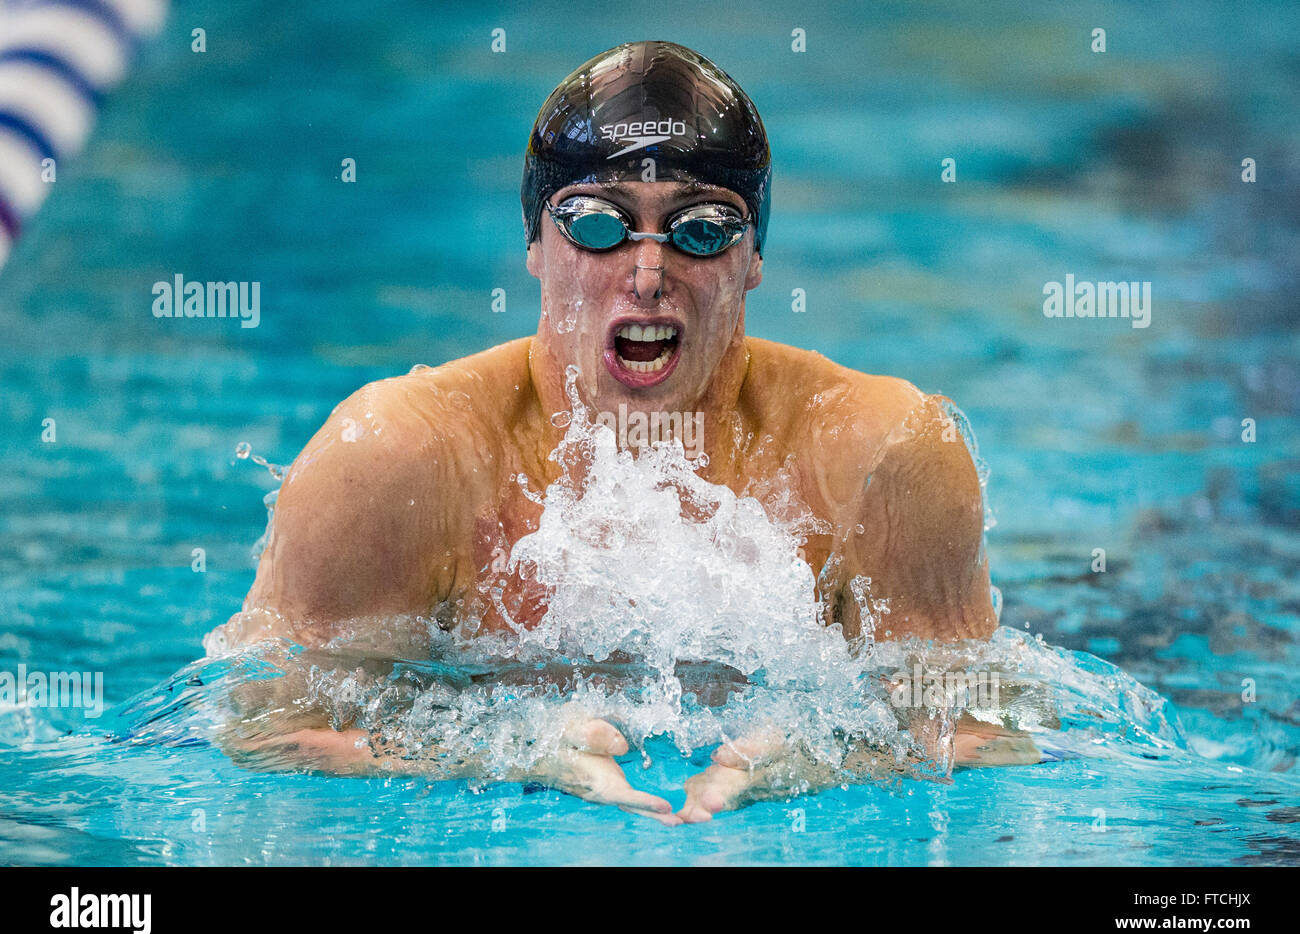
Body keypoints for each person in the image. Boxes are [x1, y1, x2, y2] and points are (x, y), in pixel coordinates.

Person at [216, 40, 1031, 826]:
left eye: (702, 229)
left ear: (754, 257)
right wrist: (489, 752)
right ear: (535, 242)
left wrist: (845, 757)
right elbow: (260, 733)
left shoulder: (879, 453)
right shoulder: (396, 461)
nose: (647, 275)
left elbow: (990, 731)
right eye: (599, 226)